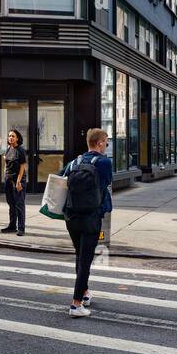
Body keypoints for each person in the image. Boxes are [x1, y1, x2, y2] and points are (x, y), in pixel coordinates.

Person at [61, 128, 113, 319]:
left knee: (80, 255)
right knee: (85, 260)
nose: (106, 145)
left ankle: (84, 293)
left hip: (72, 218)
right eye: (106, 142)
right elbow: (107, 184)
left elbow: (60, 178)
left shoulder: (74, 162)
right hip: (91, 218)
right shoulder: (105, 163)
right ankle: (76, 304)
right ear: (99, 143)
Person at [0, 129, 27, 237]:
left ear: (17, 138)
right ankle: (12, 226)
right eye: (9, 136)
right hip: (8, 179)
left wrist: (19, 181)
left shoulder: (20, 150)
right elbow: (5, 162)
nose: (10, 138)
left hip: (18, 180)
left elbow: (22, 166)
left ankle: (21, 228)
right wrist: (4, 174)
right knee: (11, 204)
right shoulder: (8, 149)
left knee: (19, 204)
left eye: (13, 136)